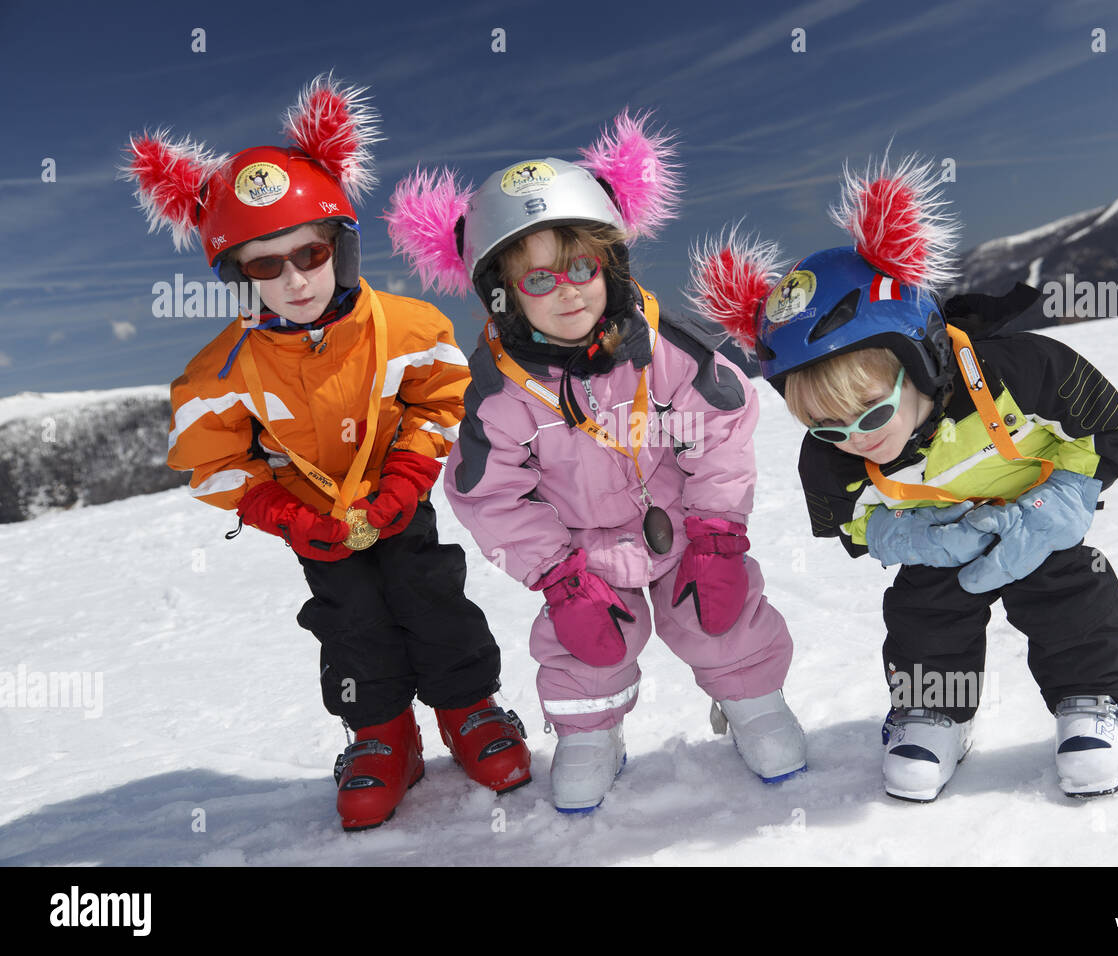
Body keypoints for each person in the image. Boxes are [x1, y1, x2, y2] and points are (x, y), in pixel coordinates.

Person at [122, 74, 530, 831]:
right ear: (236, 278)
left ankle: (469, 708)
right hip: (317, 520)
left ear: (340, 247)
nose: (293, 279)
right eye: (263, 266)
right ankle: (380, 734)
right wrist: (277, 510)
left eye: (308, 253)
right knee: (348, 619)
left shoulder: (406, 327)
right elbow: (213, 462)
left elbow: (440, 401)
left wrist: (409, 474)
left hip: (394, 503)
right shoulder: (220, 372)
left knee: (431, 593)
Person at [688, 154, 1118, 802]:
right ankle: (934, 713)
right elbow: (846, 522)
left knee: (1071, 588)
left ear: (923, 360)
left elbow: (1107, 429)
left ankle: (1095, 701)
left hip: (1034, 518)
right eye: (828, 426)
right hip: (944, 537)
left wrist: (1060, 505)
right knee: (923, 607)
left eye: (872, 411)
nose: (856, 436)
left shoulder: (1023, 372)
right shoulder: (835, 453)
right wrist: (915, 539)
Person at [385, 111, 806, 812]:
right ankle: (591, 733)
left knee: (720, 614)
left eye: (582, 267)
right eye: (539, 280)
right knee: (585, 645)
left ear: (610, 265)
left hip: (684, 527)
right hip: (584, 552)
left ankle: (752, 700)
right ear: (505, 298)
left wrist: (717, 529)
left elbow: (721, 426)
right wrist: (557, 573)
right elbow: (487, 494)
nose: (570, 289)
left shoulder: (665, 346)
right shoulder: (500, 389)